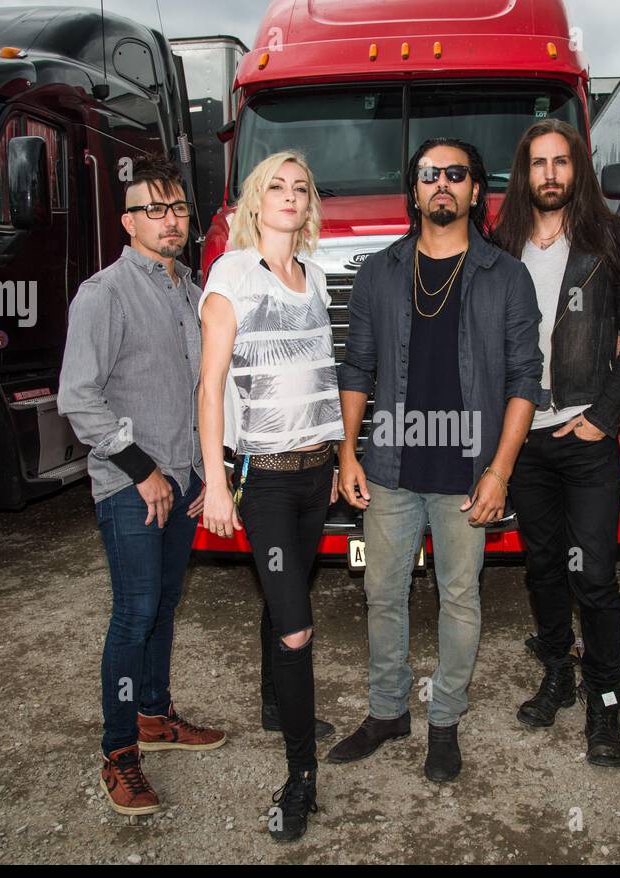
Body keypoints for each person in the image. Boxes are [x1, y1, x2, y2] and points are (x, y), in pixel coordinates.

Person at [328, 137, 543, 782]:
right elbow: (358, 365)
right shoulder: (379, 272)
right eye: (429, 174)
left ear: (478, 191)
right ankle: (389, 711)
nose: (441, 184)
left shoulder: (506, 275)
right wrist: (348, 451)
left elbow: (525, 379)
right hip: (390, 465)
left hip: (469, 471)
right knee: (382, 592)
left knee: (461, 598)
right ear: (415, 189)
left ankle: (444, 720)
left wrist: (500, 471)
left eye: (456, 174)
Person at [59, 155, 227, 818]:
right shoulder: (103, 292)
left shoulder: (192, 291)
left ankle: (155, 716)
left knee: (163, 603)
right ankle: (118, 750)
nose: (171, 220)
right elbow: (78, 397)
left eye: (179, 207)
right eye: (154, 209)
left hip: (182, 477)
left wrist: (207, 471)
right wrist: (143, 470)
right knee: (134, 610)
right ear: (128, 221)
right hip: (133, 481)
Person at [492, 119, 620, 767]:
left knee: (597, 574)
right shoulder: (500, 244)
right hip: (523, 438)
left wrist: (606, 416)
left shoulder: (611, 238)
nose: (550, 174)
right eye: (539, 163)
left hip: (586, 435)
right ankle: (558, 668)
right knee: (542, 566)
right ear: (524, 173)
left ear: (577, 169)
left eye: (561, 162)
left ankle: (604, 701)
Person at [198, 150, 345, 841]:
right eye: (276, 187)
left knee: (283, 591)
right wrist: (217, 478)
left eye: (300, 188)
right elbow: (209, 383)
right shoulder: (232, 275)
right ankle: (301, 776)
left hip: (316, 470)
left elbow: (321, 374)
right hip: (264, 477)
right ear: (256, 202)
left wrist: (345, 455)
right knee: (295, 622)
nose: (289, 197)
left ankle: (269, 702)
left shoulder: (314, 276)